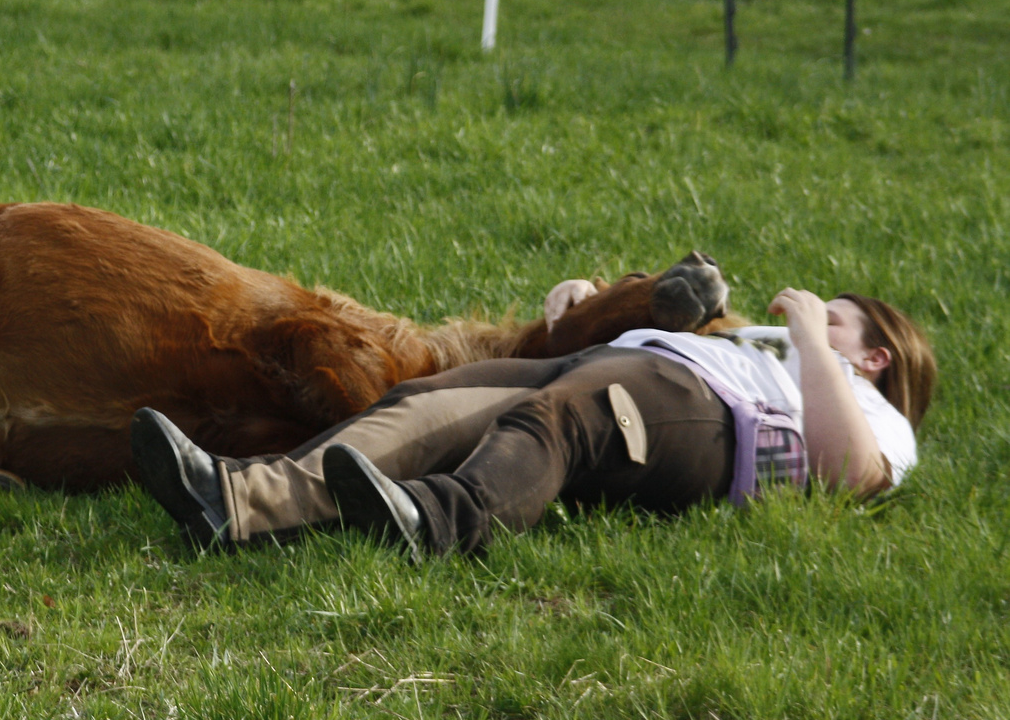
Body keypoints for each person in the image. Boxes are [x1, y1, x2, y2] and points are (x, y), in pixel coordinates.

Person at [131, 283, 935, 557]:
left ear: (877, 359)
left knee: (560, 420)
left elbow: (853, 474)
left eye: (838, 323)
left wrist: (808, 339)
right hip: (623, 365)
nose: (814, 324)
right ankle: (238, 500)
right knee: (426, 403)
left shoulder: (875, 415)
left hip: (706, 419)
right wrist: (582, 311)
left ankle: (440, 520)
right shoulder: (787, 359)